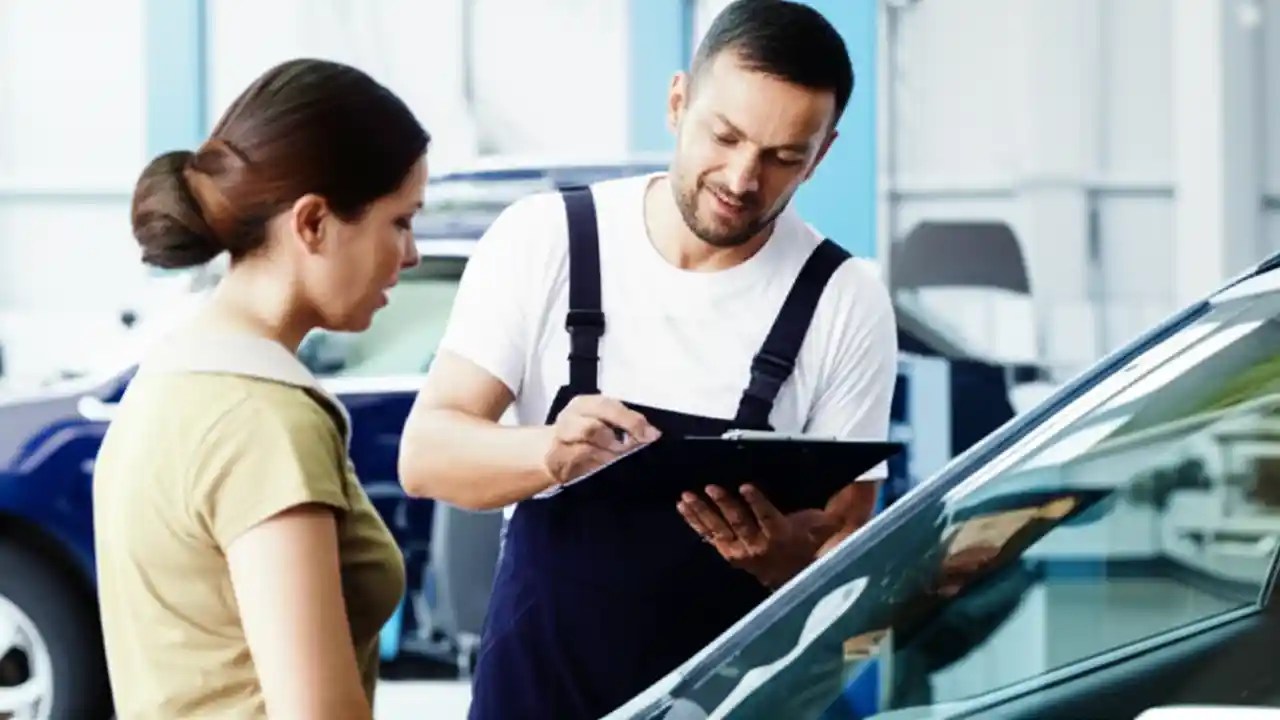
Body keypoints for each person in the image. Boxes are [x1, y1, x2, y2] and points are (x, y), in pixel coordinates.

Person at [399, 1, 897, 717]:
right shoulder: (547, 239)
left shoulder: (843, 299)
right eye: (724, 136)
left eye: (784, 157)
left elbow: (848, 544)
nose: (742, 178)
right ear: (677, 102)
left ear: (821, 155)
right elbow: (426, 455)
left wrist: (784, 557)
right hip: (536, 695)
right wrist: (549, 453)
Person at [92, 58, 430, 719]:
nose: (412, 253)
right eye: (400, 221)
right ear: (313, 222)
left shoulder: (167, 384)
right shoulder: (262, 419)